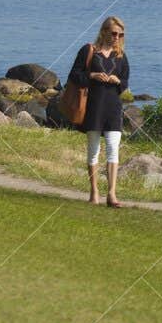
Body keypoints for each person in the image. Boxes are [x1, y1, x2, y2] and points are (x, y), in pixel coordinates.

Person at [67, 16, 130, 207]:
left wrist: (118, 81)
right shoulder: (89, 51)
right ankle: (94, 192)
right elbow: (74, 75)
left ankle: (112, 194)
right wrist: (92, 75)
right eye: (114, 33)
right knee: (93, 150)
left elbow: (125, 81)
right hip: (93, 106)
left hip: (113, 107)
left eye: (120, 34)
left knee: (113, 150)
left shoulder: (121, 56)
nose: (117, 37)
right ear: (104, 32)